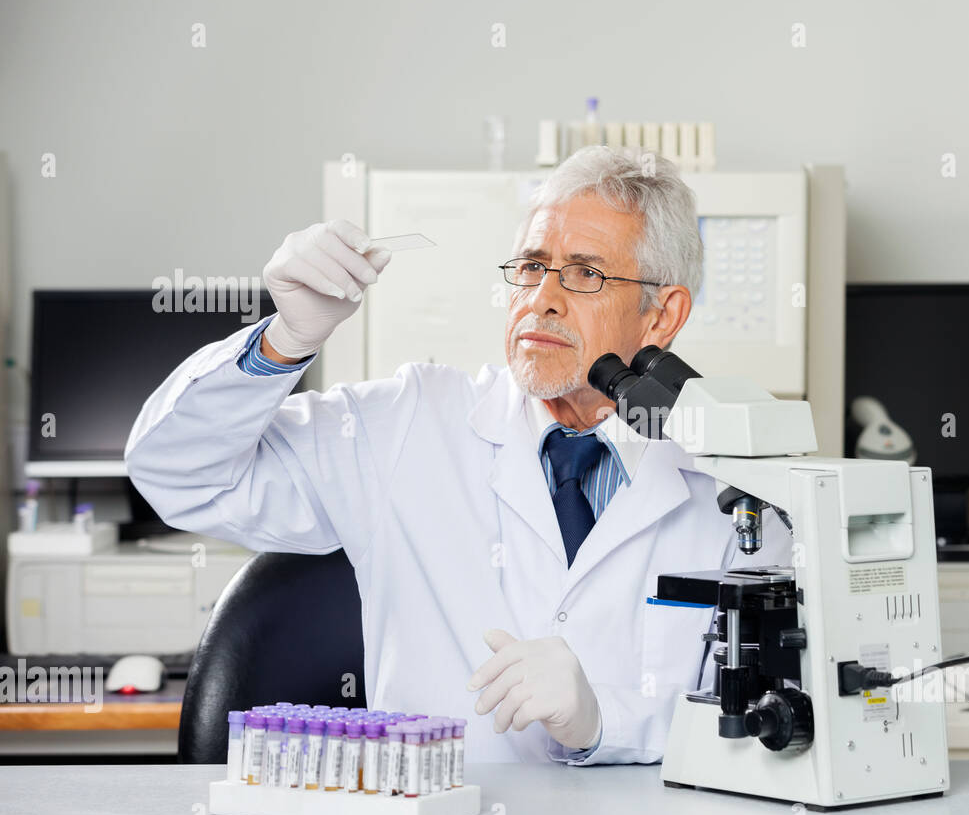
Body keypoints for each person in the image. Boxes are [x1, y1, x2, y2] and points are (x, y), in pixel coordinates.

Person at [125, 145, 789, 764]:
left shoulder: (734, 484)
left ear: (661, 316)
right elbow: (178, 473)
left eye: (585, 274)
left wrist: (604, 722)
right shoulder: (407, 423)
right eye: (531, 267)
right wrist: (284, 341)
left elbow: (773, 726)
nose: (542, 299)